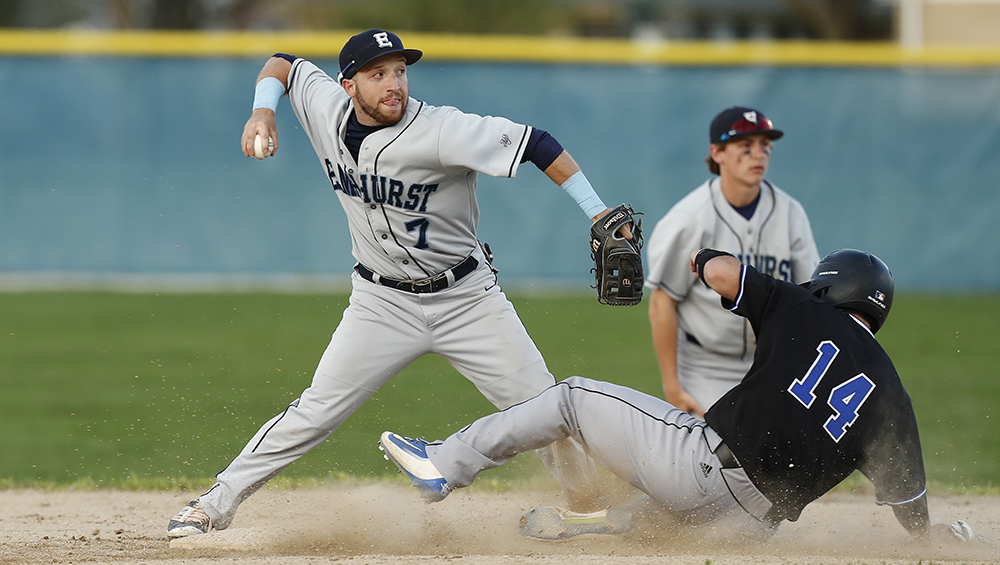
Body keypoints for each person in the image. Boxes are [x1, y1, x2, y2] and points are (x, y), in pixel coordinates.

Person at [166, 29, 632, 538]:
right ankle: (215, 503)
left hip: (466, 300)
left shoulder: (442, 129)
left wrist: (598, 210)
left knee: (540, 409)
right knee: (315, 411)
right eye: (378, 74)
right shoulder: (324, 108)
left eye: (400, 71)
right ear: (349, 85)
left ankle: (588, 513)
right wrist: (263, 110)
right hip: (380, 302)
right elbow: (282, 63)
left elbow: (538, 144)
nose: (394, 84)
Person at [379, 249, 990, 545]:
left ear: (831, 288)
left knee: (569, 398)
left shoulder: (804, 305)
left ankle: (444, 464)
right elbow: (910, 503)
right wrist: (934, 536)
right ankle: (601, 529)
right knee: (672, 528)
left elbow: (722, 275)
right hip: (752, 526)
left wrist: (702, 256)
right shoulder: (893, 398)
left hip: (700, 470)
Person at [646, 107, 819, 418]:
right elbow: (662, 302)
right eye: (746, 146)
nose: (758, 155)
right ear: (718, 153)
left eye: (765, 146)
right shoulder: (689, 219)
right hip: (704, 366)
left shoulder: (790, 213)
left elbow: (811, 298)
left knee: (777, 461)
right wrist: (672, 387)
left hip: (771, 363)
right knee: (709, 460)